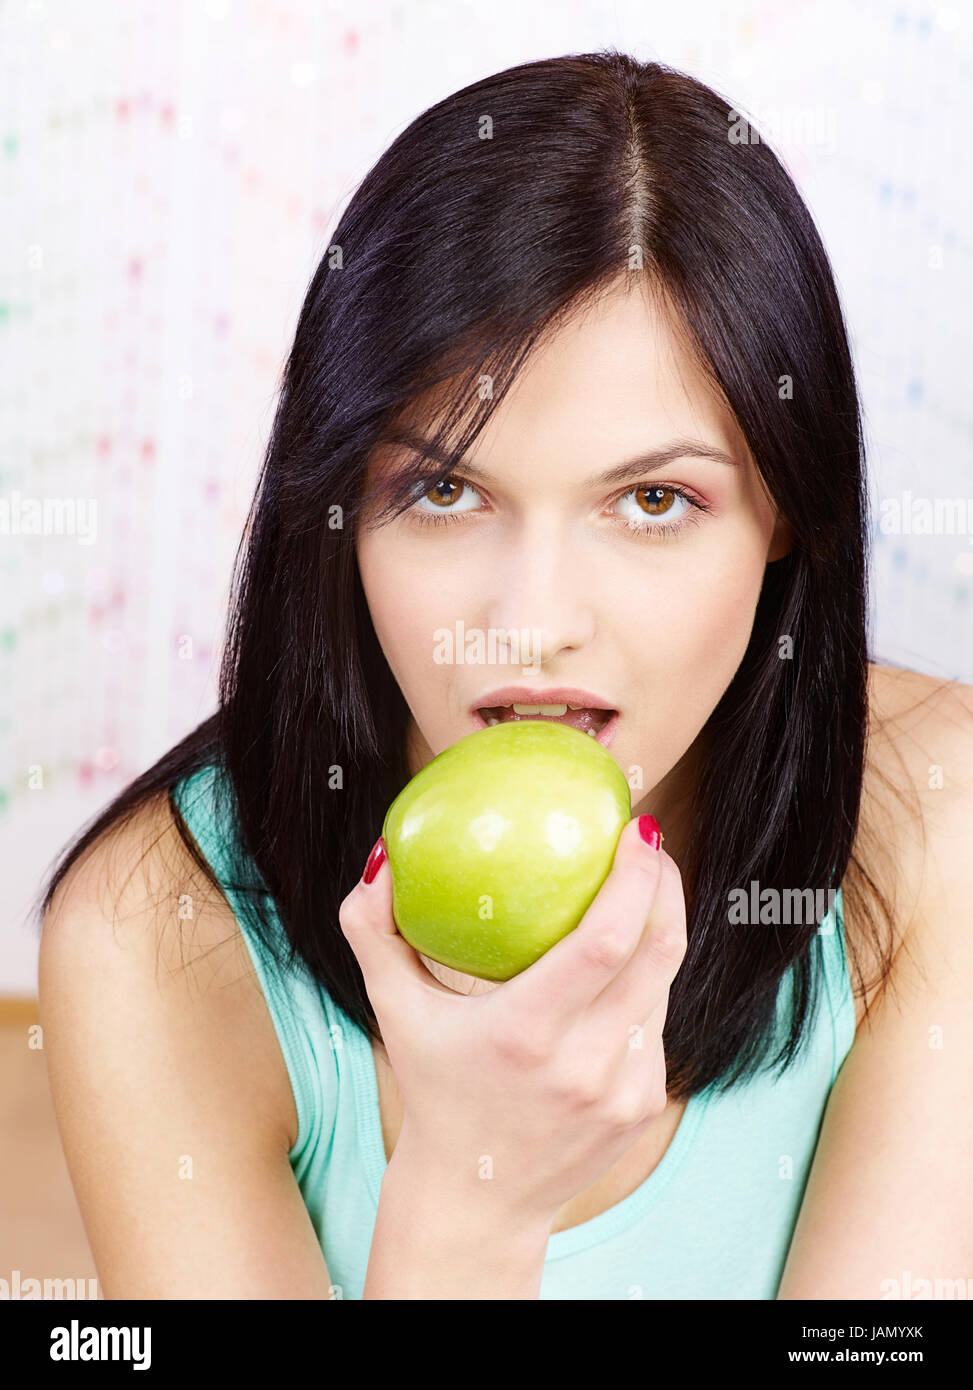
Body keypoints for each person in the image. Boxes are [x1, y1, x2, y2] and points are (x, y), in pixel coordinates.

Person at [36, 50, 972, 1300]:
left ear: (786, 511)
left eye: (652, 499)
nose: (531, 626)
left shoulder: (936, 815)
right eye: (442, 488)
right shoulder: (156, 934)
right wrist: (473, 1192)